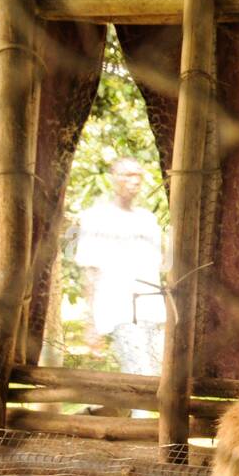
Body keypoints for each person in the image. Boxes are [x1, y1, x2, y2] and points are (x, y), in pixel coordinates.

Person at [73, 156, 167, 380]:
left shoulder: (148, 220)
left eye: (138, 175)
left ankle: (147, 415)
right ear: (114, 178)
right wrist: (90, 322)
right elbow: (90, 271)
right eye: (128, 175)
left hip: (152, 309)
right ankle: (141, 415)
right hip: (118, 310)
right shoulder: (96, 218)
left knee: (158, 376)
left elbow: (159, 266)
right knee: (140, 375)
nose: (135, 180)